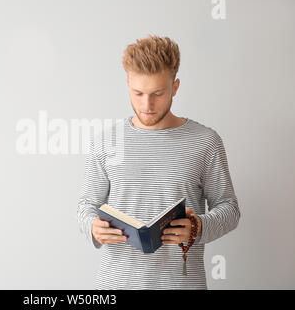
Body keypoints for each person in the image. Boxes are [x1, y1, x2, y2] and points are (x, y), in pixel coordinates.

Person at [76, 34, 240, 289]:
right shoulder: (106, 140)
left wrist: (197, 226)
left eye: (158, 93)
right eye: (138, 93)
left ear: (175, 87)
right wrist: (92, 227)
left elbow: (229, 209)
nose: (147, 105)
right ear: (128, 82)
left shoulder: (206, 141)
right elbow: (86, 204)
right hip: (116, 284)